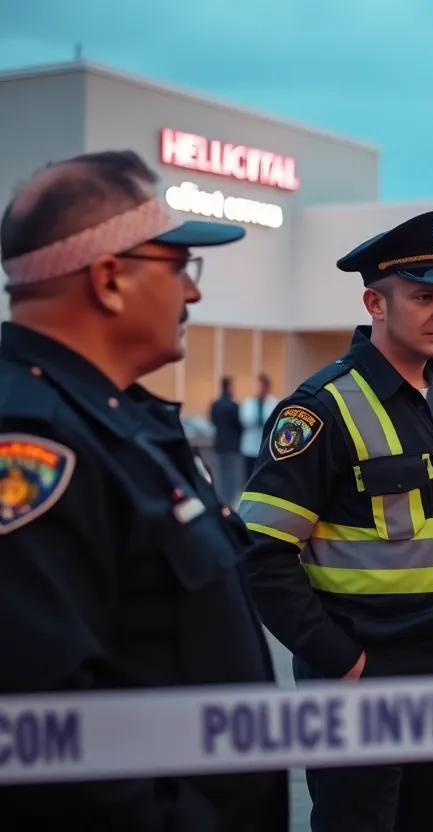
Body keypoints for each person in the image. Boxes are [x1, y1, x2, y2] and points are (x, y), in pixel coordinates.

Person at [0, 150, 287, 830]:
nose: (193, 292)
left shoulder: (121, 422)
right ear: (108, 279)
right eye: (179, 265)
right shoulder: (32, 444)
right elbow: (51, 739)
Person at [237, 210, 433, 832]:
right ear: (375, 303)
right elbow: (261, 553)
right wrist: (343, 661)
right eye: (423, 297)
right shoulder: (320, 409)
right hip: (364, 676)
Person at [210, 375, 245, 504]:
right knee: (231, 475)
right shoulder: (233, 406)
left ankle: (221, 499)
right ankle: (228, 502)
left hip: (219, 444)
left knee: (221, 474)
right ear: (229, 387)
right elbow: (239, 425)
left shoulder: (215, 405)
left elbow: (213, 422)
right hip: (232, 445)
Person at [240, 372, 278, 477]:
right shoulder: (249, 402)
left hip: (266, 448)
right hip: (250, 447)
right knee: (249, 476)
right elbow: (245, 420)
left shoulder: (273, 402)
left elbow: (273, 421)